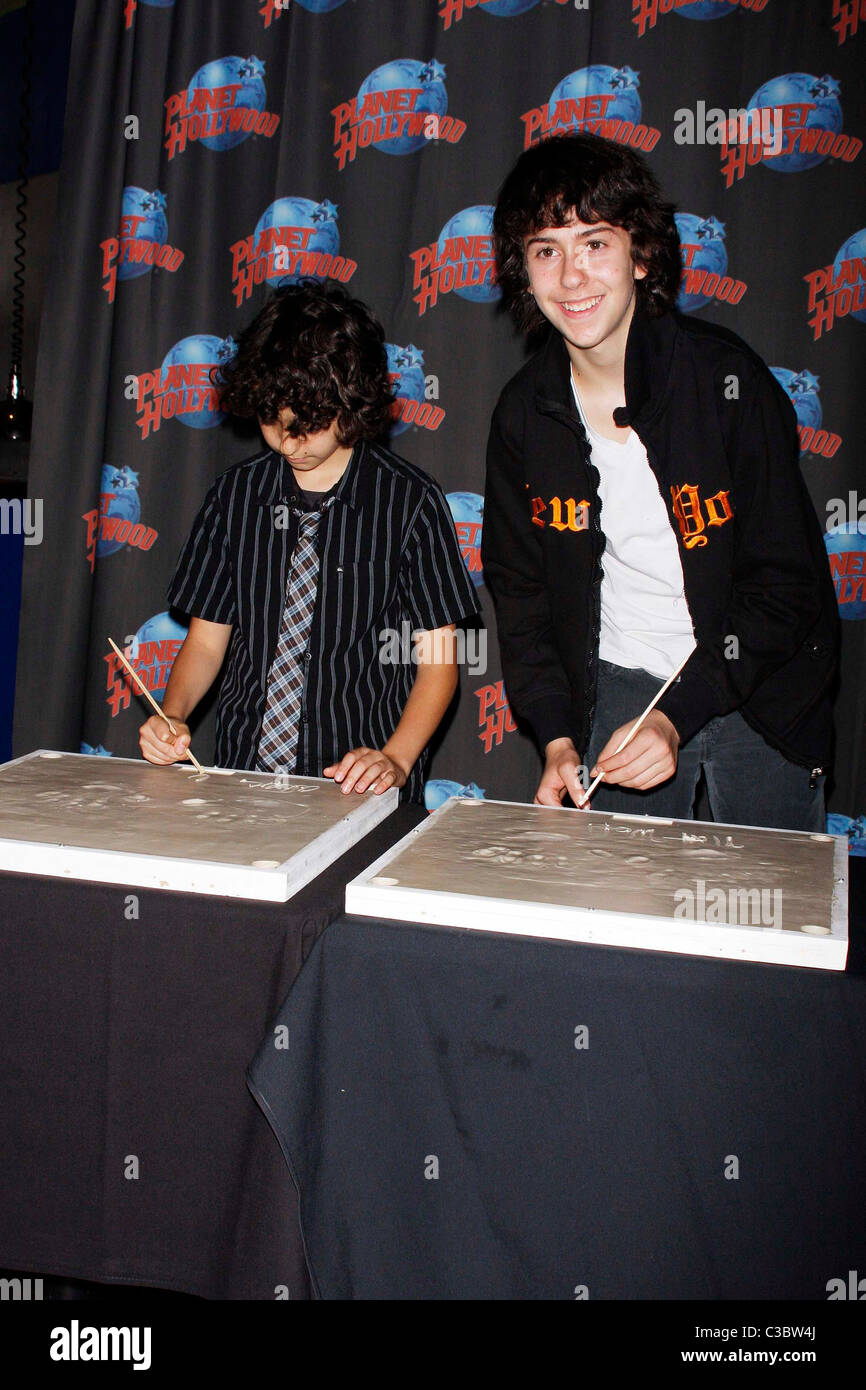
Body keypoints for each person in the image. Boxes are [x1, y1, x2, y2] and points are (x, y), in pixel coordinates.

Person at [481, 133, 838, 830]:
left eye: (595, 243)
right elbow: (522, 598)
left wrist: (677, 718)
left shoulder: (727, 383)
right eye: (546, 251)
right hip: (618, 688)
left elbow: (784, 586)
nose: (573, 277)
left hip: (758, 690)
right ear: (524, 273)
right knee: (617, 927)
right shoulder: (525, 415)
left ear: (641, 255)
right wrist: (557, 738)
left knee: (762, 920)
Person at [139, 281, 479, 802]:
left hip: (363, 786)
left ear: (354, 401)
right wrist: (174, 715)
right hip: (244, 777)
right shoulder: (234, 496)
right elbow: (207, 643)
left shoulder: (410, 502)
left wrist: (397, 757)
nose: (289, 441)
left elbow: (440, 661)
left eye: (309, 425)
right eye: (272, 421)